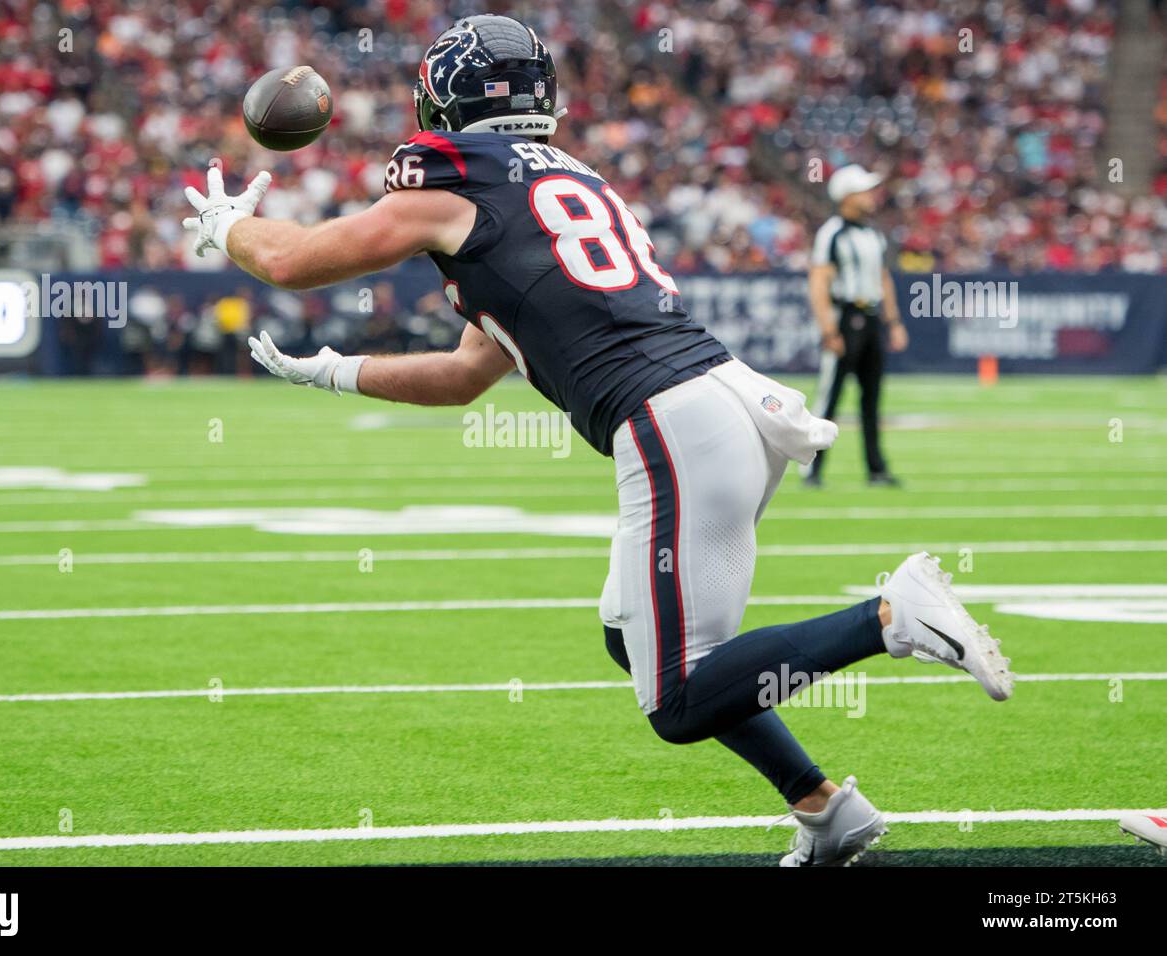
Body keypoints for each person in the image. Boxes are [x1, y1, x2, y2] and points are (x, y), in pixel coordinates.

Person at [182, 14, 1012, 866]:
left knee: (680, 699)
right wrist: (332, 370)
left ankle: (889, 616)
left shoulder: (450, 189)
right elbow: (469, 372)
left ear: (445, 96)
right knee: (629, 633)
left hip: (667, 424)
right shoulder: (568, 182)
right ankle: (822, 804)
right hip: (721, 405)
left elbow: (290, 260)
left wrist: (224, 225)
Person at [802, 165, 908, 487]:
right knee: (829, 397)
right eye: (863, 190)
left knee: (872, 398)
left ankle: (876, 468)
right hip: (845, 317)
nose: (870, 196)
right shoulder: (832, 233)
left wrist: (894, 321)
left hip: (872, 316)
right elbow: (819, 281)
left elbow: (883, 279)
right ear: (847, 196)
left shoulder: (873, 234)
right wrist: (828, 330)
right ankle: (812, 468)